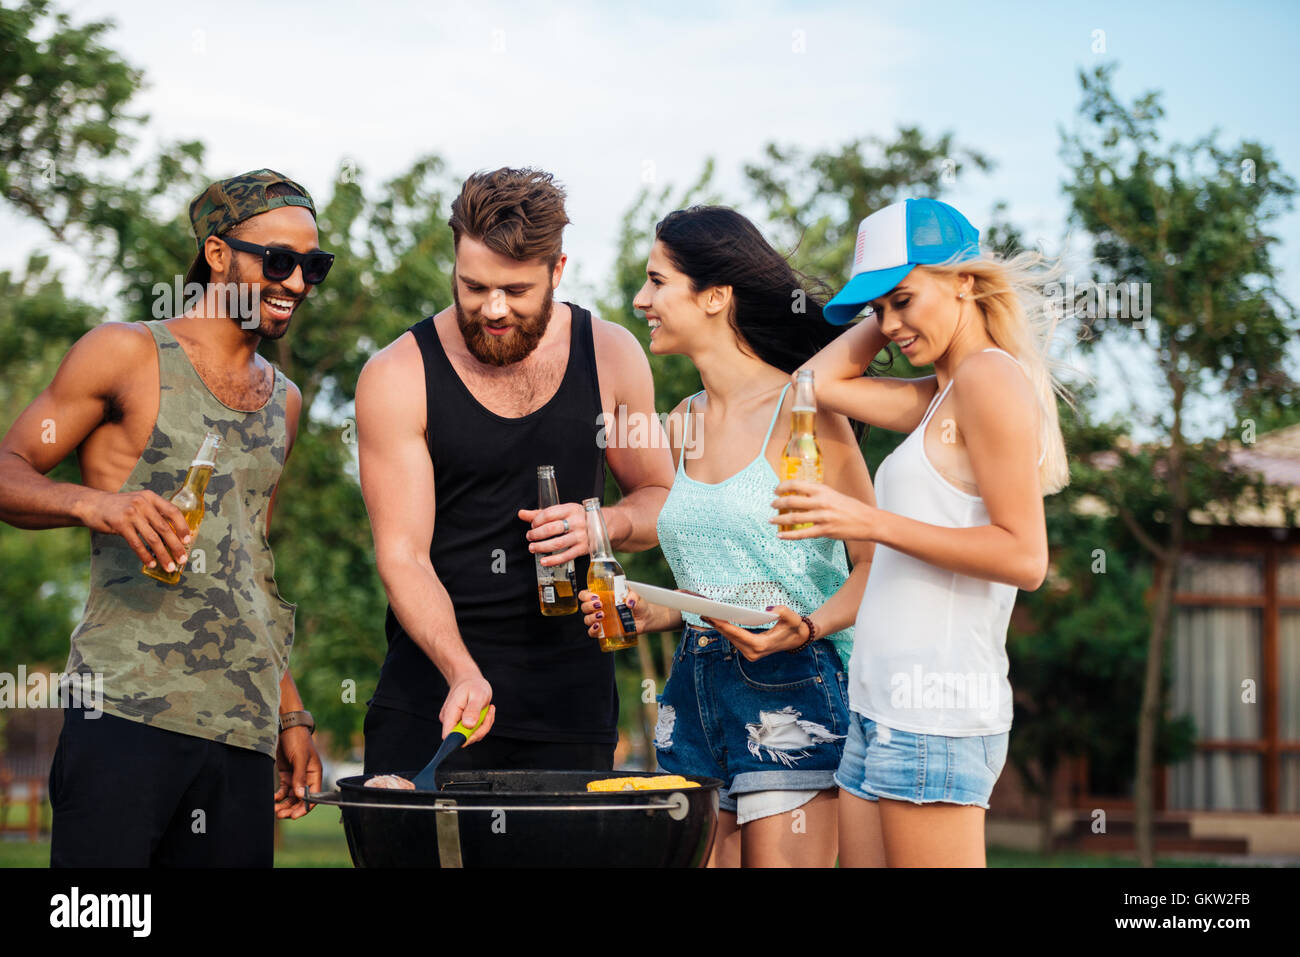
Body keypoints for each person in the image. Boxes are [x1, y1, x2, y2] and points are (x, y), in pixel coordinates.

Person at [0, 169, 328, 866]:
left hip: (242, 729)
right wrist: (97, 503)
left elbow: (250, 567)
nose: (296, 282)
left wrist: (289, 707)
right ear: (217, 254)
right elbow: (9, 470)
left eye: (311, 265)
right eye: (278, 260)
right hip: (124, 711)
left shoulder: (286, 402)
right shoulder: (125, 352)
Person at [775, 197, 1069, 867]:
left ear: (966, 280)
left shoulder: (989, 377)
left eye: (904, 299)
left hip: (934, 719)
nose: (890, 323)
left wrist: (871, 521)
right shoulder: (940, 392)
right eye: (878, 310)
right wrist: (891, 306)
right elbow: (809, 383)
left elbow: (1025, 556)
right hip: (881, 709)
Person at [580, 206, 876, 867]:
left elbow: (874, 565)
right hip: (694, 688)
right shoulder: (683, 418)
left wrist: (806, 626)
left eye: (658, 281)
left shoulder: (805, 409)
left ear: (715, 296)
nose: (641, 299)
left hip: (793, 687)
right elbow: (711, 587)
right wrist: (649, 608)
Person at [358, 168, 674, 775]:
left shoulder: (611, 355)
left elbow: (660, 499)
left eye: (516, 290)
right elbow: (403, 555)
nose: (493, 310)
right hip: (434, 699)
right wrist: (462, 671)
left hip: (573, 704)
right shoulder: (396, 374)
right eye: (473, 286)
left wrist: (600, 524)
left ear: (557, 270)